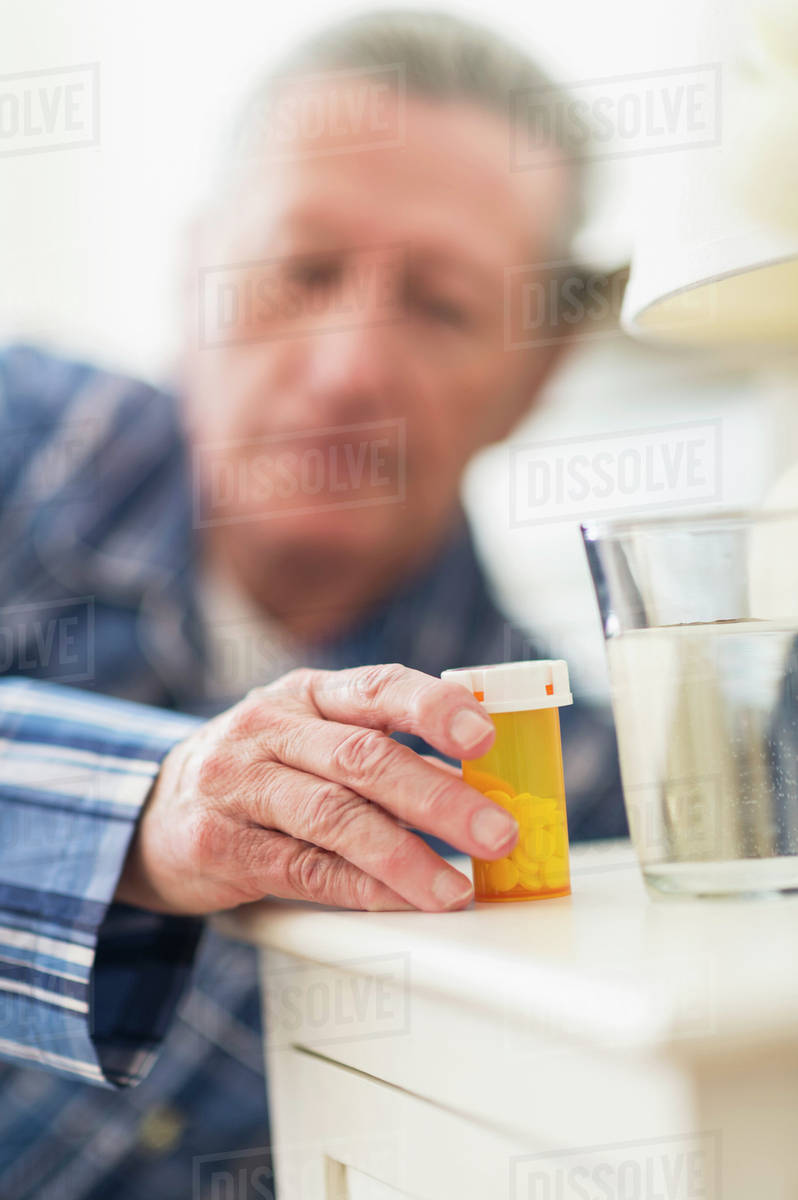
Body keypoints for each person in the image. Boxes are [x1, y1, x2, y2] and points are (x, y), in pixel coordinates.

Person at [0, 10, 625, 1198]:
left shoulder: (569, 781)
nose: (348, 370)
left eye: (440, 305)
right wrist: (142, 809)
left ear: (534, 378)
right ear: (194, 274)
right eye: (302, 271)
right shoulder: (14, 450)